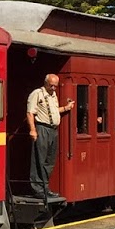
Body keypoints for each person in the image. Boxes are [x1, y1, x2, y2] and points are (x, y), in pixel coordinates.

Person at [26, 73, 74, 205]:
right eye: (51, 85)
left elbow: (53, 111)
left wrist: (66, 108)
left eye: (55, 86)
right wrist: (33, 129)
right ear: (46, 83)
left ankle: (45, 188)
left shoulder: (53, 95)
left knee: (49, 160)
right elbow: (30, 112)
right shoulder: (37, 94)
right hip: (42, 128)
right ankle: (37, 189)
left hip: (53, 130)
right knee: (39, 159)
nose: (53, 88)